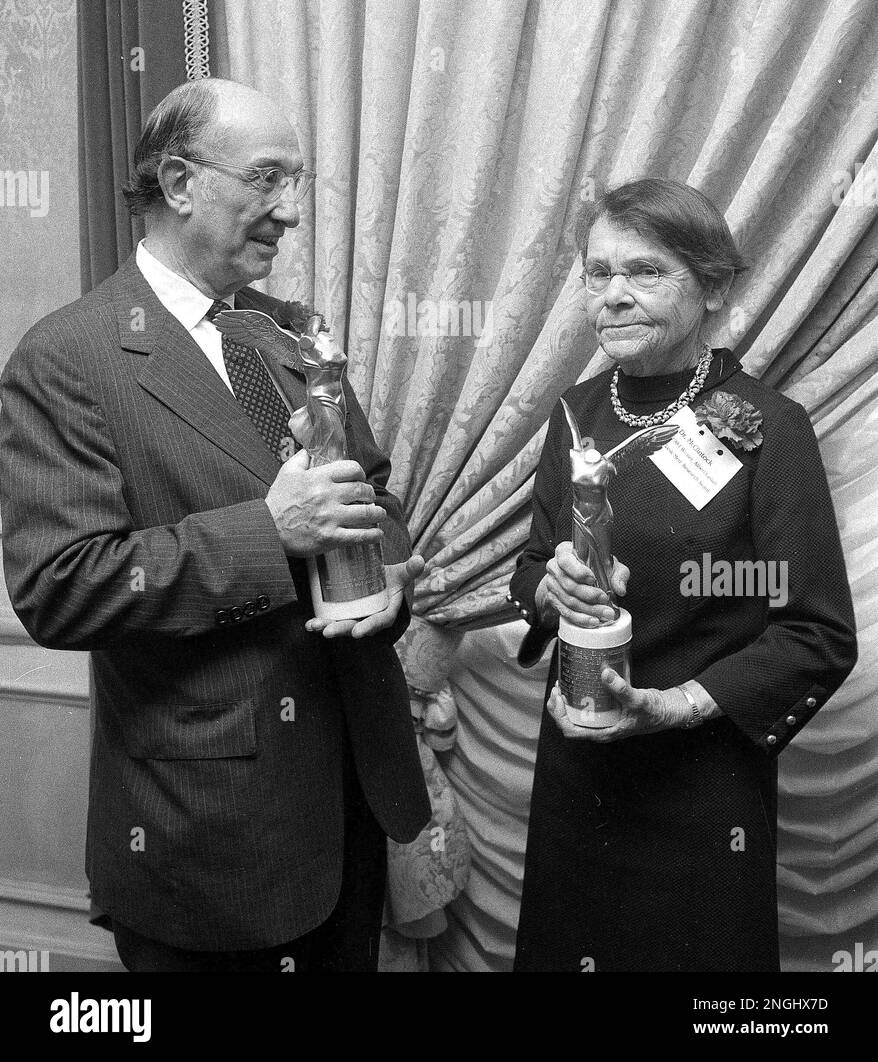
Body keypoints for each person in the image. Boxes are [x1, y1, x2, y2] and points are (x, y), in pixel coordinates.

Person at [0, 77, 430, 972]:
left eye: (298, 183)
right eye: (269, 178)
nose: (293, 211)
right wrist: (271, 533)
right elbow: (62, 589)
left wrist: (387, 574)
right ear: (181, 180)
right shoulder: (68, 356)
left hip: (351, 802)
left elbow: (372, 498)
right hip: (210, 837)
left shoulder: (289, 334)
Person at [509, 178, 858, 973]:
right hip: (580, 762)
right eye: (598, 274)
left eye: (645, 272)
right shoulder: (576, 411)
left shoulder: (769, 425)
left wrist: (672, 706)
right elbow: (529, 568)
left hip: (699, 785)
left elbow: (816, 633)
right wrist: (545, 590)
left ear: (711, 288)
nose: (614, 296)